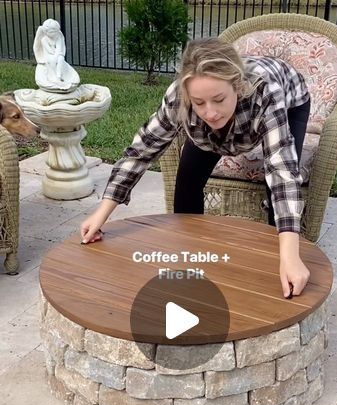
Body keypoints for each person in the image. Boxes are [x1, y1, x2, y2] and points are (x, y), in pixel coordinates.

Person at [81, 37, 311, 297]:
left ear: (237, 86)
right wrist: (102, 213)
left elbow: (281, 170)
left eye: (218, 99)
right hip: (221, 115)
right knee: (188, 179)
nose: (210, 112)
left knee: (274, 188)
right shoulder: (180, 98)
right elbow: (142, 150)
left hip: (292, 101)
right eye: (199, 103)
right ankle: (190, 255)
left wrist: (291, 255)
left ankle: (281, 262)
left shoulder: (265, 91)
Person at [33, 19, 80, 91]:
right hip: (48, 55)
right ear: (46, 32)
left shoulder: (58, 37)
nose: (54, 34)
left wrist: (58, 55)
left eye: (55, 32)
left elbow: (59, 48)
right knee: (52, 61)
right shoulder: (44, 40)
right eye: (51, 32)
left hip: (57, 54)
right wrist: (55, 56)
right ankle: (53, 77)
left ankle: (59, 76)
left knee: (61, 59)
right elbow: (49, 50)